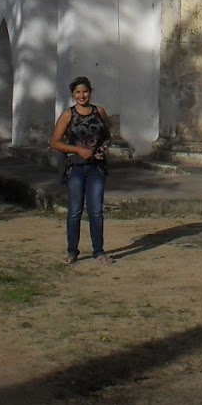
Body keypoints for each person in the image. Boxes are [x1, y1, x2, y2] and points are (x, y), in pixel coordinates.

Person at [49, 77, 113, 265]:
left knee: (96, 211)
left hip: (96, 168)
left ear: (90, 92)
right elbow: (54, 142)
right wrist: (77, 150)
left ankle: (98, 251)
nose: (81, 95)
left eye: (84, 92)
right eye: (78, 92)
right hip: (75, 168)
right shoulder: (68, 115)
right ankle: (72, 251)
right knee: (75, 211)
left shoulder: (98, 112)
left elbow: (107, 137)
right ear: (72, 94)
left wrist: (103, 149)